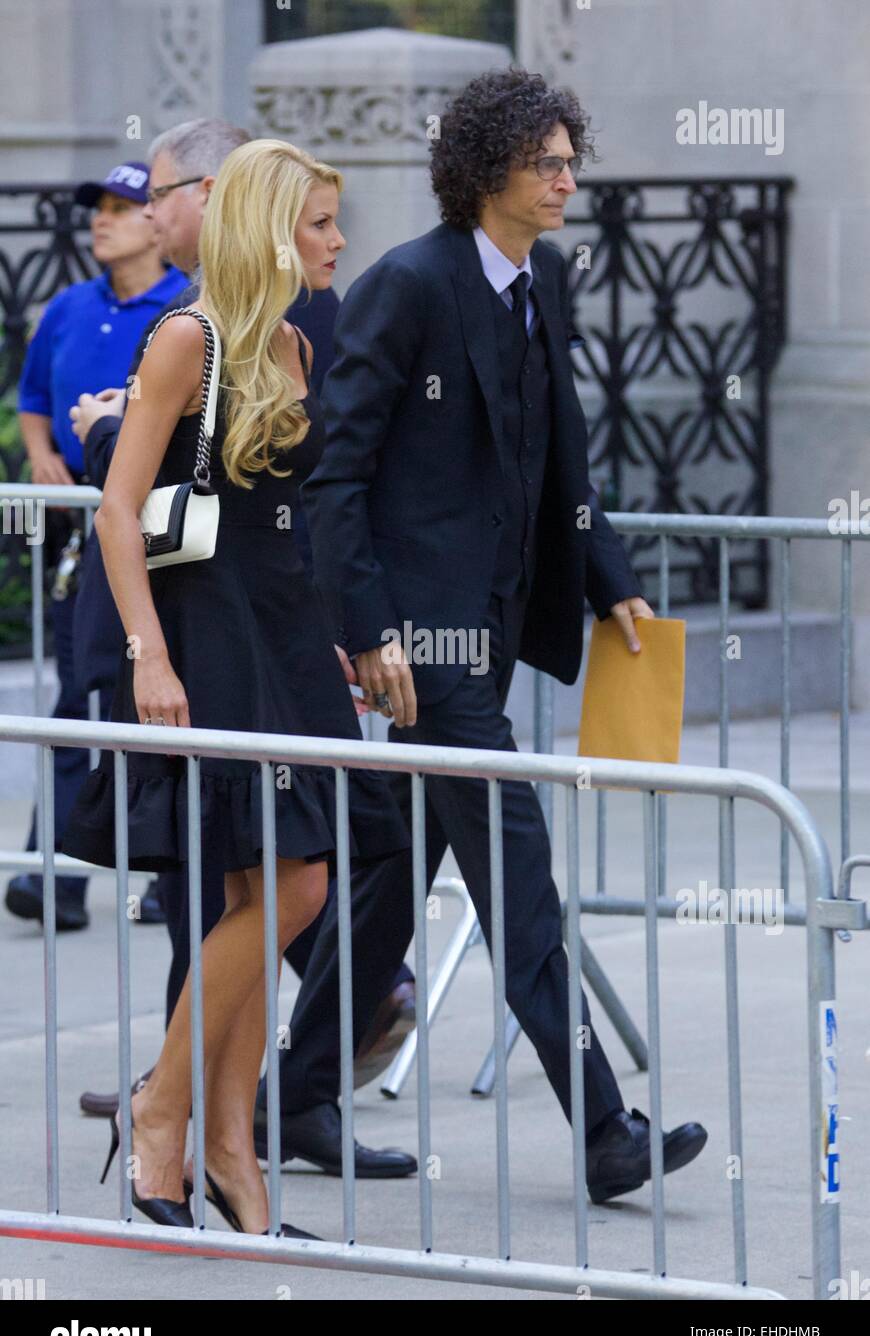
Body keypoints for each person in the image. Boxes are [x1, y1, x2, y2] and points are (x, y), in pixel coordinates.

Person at [265, 68, 708, 1206]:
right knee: (520, 877)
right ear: (487, 172)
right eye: (548, 162)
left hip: (495, 626)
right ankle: (606, 1126)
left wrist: (611, 581)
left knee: (396, 873)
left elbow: (561, 451)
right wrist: (367, 631)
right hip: (422, 651)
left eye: (571, 160)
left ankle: (293, 1094)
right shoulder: (406, 285)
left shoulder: (542, 279)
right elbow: (337, 476)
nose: (568, 179)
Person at [60, 138, 411, 1234]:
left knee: (269, 894)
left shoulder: (298, 348)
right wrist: (148, 656)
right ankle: (167, 1115)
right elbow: (119, 511)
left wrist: (354, 643)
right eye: (317, 224)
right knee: (289, 891)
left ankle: (228, 1153)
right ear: (267, 228)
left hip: (292, 641)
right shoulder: (187, 339)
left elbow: (304, 517)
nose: (337, 242)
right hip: (209, 641)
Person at [4, 162, 186, 932]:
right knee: (82, 699)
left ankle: (172, 882)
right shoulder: (69, 306)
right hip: (89, 534)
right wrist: (41, 451)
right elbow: (34, 400)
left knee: (162, 705)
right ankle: (57, 879)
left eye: (121, 206)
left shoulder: (182, 310)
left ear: (157, 222)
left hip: (171, 537)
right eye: (96, 209)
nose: (101, 221)